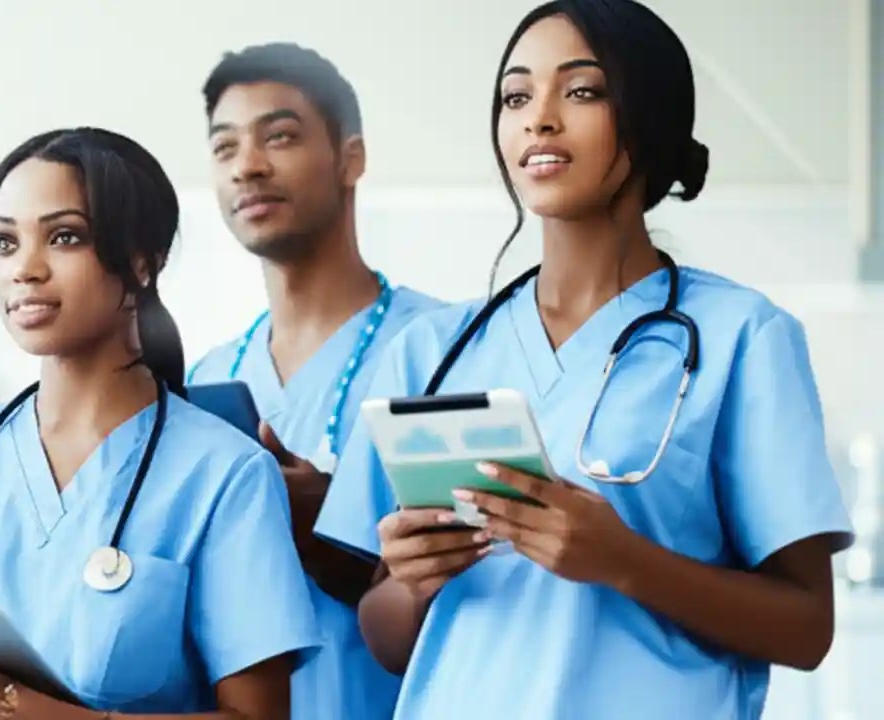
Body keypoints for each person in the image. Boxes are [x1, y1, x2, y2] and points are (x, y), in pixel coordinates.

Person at [314, 2, 855, 718]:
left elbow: (806, 628)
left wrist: (623, 561)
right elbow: (388, 639)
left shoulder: (742, 337)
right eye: (516, 96)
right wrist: (413, 581)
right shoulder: (430, 353)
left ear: (649, 115)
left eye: (581, 91)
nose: (538, 118)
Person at [0, 127, 320, 720]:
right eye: (4, 242)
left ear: (144, 261)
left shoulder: (226, 474)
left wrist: (4, 705)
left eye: (64, 237)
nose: (25, 269)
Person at [187, 42, 445, 720]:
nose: (248, 165)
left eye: (279, 136)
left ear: (350, 157)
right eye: (224, 148)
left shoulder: (445, 349)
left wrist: (333, 522)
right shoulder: (207, 378)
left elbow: (496, 578)